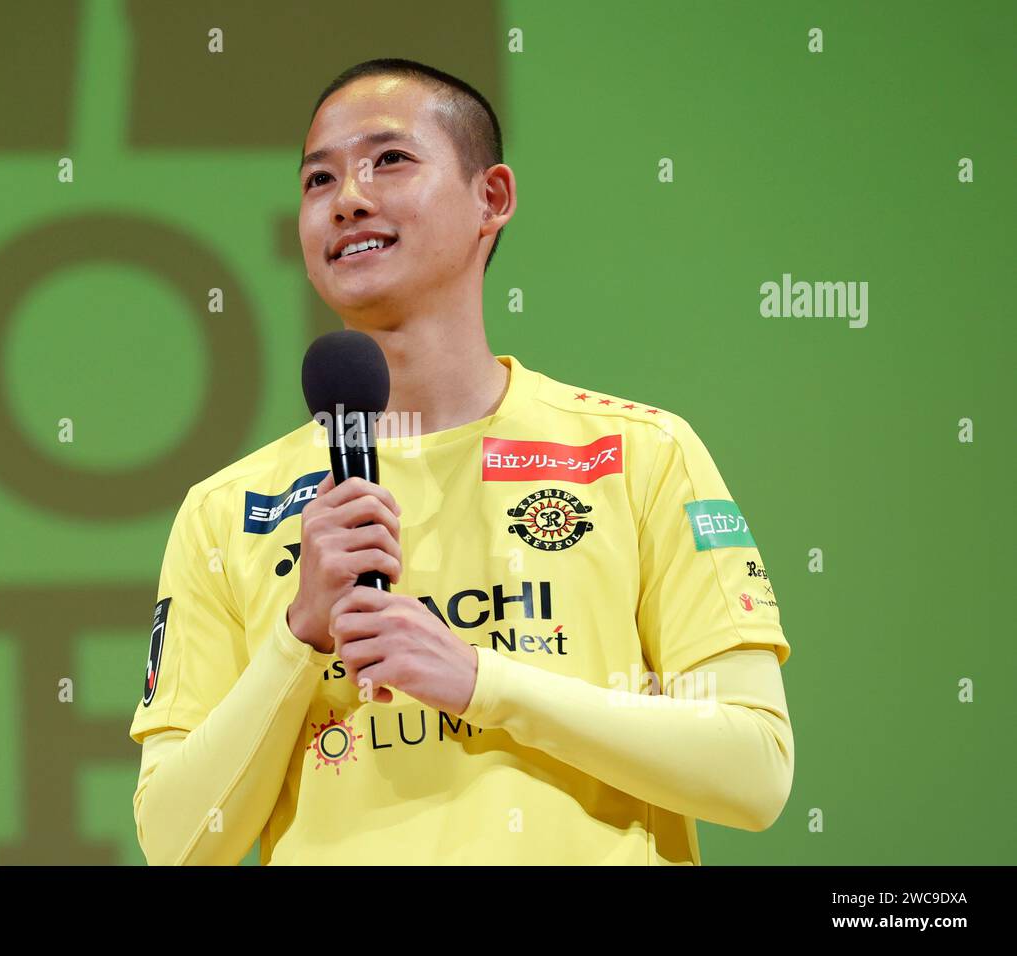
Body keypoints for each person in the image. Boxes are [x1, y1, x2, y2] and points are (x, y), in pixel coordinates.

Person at [129, 58, 793, 865]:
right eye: (318, 180)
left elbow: (753, 771)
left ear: (493, 198)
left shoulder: (640, 455)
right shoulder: (228, 508)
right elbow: (174, 843)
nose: (348, 199)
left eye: (390, 160)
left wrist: (481, 681)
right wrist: (298, 635)